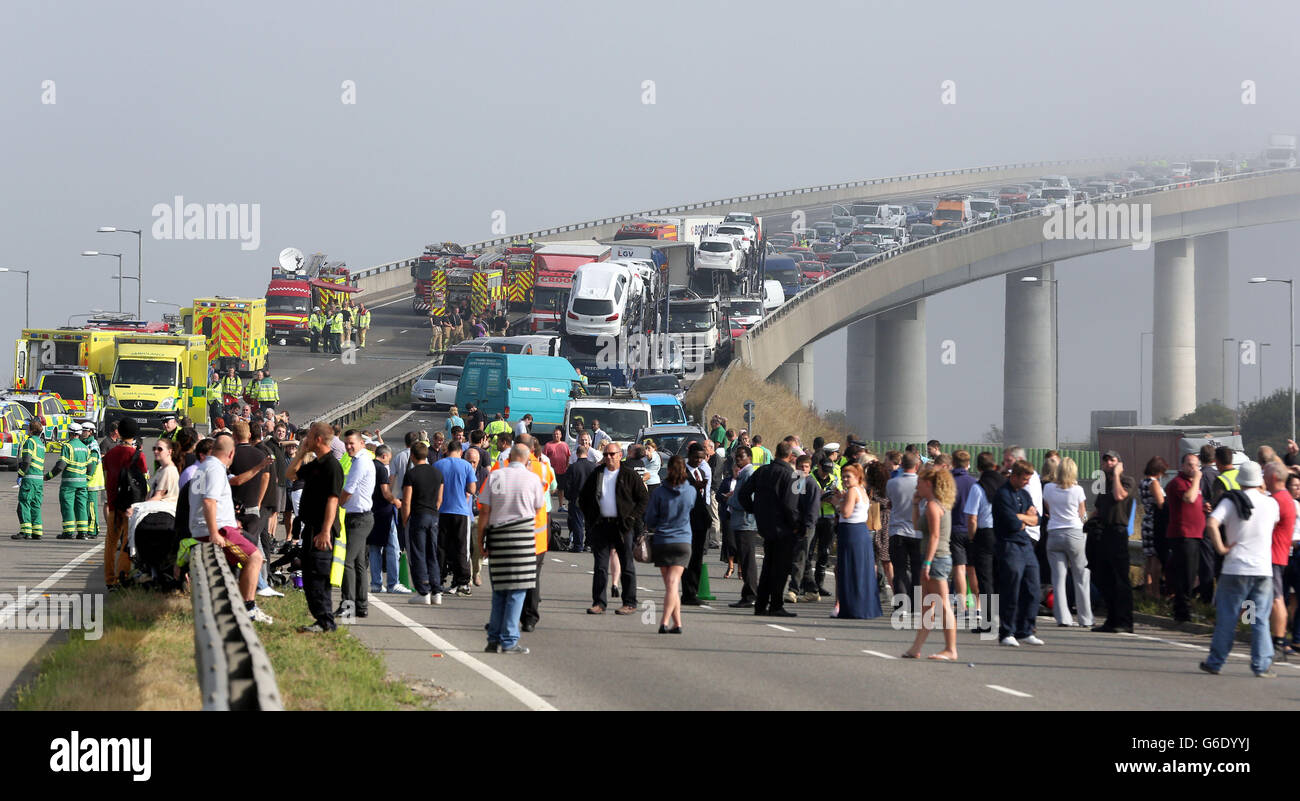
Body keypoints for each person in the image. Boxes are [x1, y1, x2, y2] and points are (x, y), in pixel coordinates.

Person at [1200, 460, 1279, 677]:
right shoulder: (1271, 504)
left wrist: (1221, 547)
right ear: (1259, 480)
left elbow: (1211, 524)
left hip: (1235, 567)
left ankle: (1216, 662)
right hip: (1262, 569)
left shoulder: (1231, 502)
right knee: (1259, 618)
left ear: (1240, 480)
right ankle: (1261, 664)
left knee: (1228, 615)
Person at [191, 432, 273, 624]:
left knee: (244, 557)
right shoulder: (216, 470)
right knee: (255, 558)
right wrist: (214, 533)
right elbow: (209, 502)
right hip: (218, 530)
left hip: (213, 526)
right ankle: (248, 607)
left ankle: (238, 603)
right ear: (231, 454)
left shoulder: (204, 467)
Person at [477, 443, 547, 654]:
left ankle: (493, 639)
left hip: (497, 536)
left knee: (499, 590)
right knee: (517, 591)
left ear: (509, 458)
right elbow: (538, 507)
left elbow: (485, 512)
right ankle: (508, 640)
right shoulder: (532, 479)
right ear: (526, 459)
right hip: (522, 538)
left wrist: (480, 541)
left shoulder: (496, 476)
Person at [579, 441, 648, 615]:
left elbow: (643, 499)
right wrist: (591, 519)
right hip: (601, 526)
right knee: (600, 566)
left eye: (612, 454)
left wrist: (631, 518)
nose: (608, 457)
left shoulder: (629, 474)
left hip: (623, 527)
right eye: (605, 455)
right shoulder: (597, 474)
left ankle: (629, 602)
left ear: (620, 455)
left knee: (627, 565)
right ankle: (599, 603)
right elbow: (583, 498)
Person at [739, 442, 801, 617]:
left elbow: (743, 493)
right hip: (784, 528)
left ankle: (761, 604)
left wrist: (753, 509)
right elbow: (790, 506)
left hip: (765, 525)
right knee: (780, 568)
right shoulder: (791, 474)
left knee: (768, 566)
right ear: (790, 456)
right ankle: (775, 604)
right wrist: (797, 525)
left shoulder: (763, 471)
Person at [903, 466, 957, 659]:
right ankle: (916, 647)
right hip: (934, 557)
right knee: (927, 606)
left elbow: (934, 536)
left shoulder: (935, 506)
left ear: (928, 484)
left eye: (919, 483)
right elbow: (918, 526)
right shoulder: (932, 504)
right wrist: (916, 505)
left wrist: (927, 563)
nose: (916, 486)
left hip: (937, 558)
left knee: (943, 605)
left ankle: (951, 649)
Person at [994, 460, 1043, 647]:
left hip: (1025, 544)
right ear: (1014, 476)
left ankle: (1026, 630)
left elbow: (1037, 519)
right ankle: (1007, 631)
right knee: (1011, 587)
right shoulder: (1002, 495)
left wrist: (1022, 518)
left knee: (1033, 587)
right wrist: (1023, 518)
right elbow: (1011, 523)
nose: (1027, 483)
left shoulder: (1024, 494)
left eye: (1029, 479)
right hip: (1009, 544)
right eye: (1024, 479)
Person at [645, 455, 695, 633]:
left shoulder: (659, 492)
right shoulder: (691, 491)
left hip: (663, 540)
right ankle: (678, 623)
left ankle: (664, 622)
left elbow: (650, 518)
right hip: (683, 540)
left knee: (670, 583)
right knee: (672, 585)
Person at [1042, 457, 1092, 627]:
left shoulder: (1048, 488)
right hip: (1074, 533)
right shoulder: (1078, 490)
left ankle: (1063, 618)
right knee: (1080, 576)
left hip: (1054, 533)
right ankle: (1085, 618)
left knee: (1058, 578)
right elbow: (1082, 514)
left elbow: (1049, 508)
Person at [1092, 450, 1137, 634]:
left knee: (1120, 579)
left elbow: (1119, 496)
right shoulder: (1102, 483)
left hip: (1119, 531)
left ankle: (1125, 621)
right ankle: (1111, 620)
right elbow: (1098, 508)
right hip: (1104, 532)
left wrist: (1117, 474)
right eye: (1106, 461)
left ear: (1119, 463)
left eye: (1112, 460)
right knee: (1105, 578)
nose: (1109, 463)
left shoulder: (1127, 480)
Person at [830, 463, 881, 620]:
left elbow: (845, 512)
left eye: (848, 476)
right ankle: (861, 605)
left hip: (851, 532)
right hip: (860, 531)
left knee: (849, 568)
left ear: (858, 477)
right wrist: (842, 498)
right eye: (843, 476)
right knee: (859, 569)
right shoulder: (861, 490)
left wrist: (836, 503)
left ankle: (852, 607)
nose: (845, 479)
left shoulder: (853, 490)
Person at [102, 418, 148, 588]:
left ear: (119, 432)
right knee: (127, 543)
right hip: (132, 505)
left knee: (110, 543)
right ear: (134, 434)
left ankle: (110, 579)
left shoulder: (111, 454)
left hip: (114, 503)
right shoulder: (138, 455)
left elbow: (107, 473)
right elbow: (143, 476)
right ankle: (123, 576)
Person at [335, 430, 376, 620]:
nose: (348, 446)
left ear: (361, 443)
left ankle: (347, 606)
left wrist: (337, 505)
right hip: (359, 516)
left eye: (352, 443)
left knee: (348, 562)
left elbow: (348, 490)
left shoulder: (360, 462)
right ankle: (361, 606)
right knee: (359, 563)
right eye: (346, 443)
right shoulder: (360, 460)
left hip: (359, 518)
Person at [1164, 452, 1206, 622]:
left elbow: (1195, 500)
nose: (1193, 468)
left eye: (1196, 465)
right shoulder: (1178, 483)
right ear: (1182, 466)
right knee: (1186, 574)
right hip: (1183, 534)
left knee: (1192, 573)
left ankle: (1183, 607)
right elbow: (1189, 498)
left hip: (1197, 533)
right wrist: (1197, 479)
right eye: (1189, 464)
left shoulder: (1193, 483)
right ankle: (1182, 610)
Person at [402, 442, 445, 605]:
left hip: (418, 515)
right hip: (433, 516)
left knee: (418, 553)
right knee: (432, 552)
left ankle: (423, 590)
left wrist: (406, 520)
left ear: (412, 455)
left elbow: (406, 501)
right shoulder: (437, 473)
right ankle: (437, 590)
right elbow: (440, 499)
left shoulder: (411, 474)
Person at [436, 439, 478, 596]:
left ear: (447, 450)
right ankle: (463, 581)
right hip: (461, 512)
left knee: (441, 547)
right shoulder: (466, 465)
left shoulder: (438, 465)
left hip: (442, 511)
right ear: (461, 452)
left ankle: (438, 579)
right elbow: (472, 488)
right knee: (462, 548)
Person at [1265, 460, 1297, 656]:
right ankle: (1254, 628)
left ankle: (1278, 638)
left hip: (1272, 556)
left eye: (1266, 475)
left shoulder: (1278, 500)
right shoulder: (1282, 498)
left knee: (1277, 598)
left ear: (1274, 478)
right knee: (1260, 598)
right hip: (1276, 555)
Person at [725, 446, 760, 608]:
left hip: (746, 522)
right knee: (744, 560)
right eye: (736, 457)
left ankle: (751, 595)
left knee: (747, 560)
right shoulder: (743, 473)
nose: (737, 459)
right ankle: (747, 594)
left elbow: (746, 499)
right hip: (741, 522)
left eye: (741, 456)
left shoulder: (748, 473)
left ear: (749, 457)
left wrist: (730, 499)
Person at [368, 444, 406, 593]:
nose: (389, 462)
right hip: (384, 512)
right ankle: (393, 583)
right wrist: (395, 501)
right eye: (389, 459)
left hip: (371, 510)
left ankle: (376, 583)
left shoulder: (370, 466)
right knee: (393, 547)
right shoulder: (382, 469)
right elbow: (385, 491)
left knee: (375, 548)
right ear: (384, 456)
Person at [47, 421, 94, 539]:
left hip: (69, 483)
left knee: (67, 506)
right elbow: (90, 467)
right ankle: (83, 532)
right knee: (81, 506)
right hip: (82, 483)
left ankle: (68, 532)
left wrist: (49, 476)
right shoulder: (85, 448)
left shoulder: (67, 446)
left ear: (70, 433)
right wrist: (85, 479)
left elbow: (61, 465)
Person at [788, 454, 824, 603]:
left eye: (806, 467)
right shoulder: (796, 481)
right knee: (804, 559)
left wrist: (807, 527)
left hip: (806, 527)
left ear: (810, 468)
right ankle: (812, 590)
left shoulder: (811, 484)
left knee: (798, 558)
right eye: (801, 466)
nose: (803, 469)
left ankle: (793, 590)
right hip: (796, 526)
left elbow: (813, 509)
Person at [680, 442, 713, 605]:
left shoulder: (700, 472)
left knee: (697, 559)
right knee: (689, 559)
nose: (699, 460)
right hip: (688, 522)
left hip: (701, 522)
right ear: (689, 456)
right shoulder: (683, 474)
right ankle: (688, 593)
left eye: (702, 458)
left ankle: (693, 592)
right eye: (696, 457)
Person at [887, 452, 922, 597]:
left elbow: (890, 501)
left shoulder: (892, 482)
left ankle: (901, 605)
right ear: (917, 465)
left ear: (901, 464)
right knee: (917, 570)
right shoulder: (922, 483)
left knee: (899, 570)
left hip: (897, 531)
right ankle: (917, 603)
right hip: (918, 532)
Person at [10, 420, 46, 541]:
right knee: (36, 505)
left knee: (24, 504)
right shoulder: (41, 444)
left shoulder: (29, 442)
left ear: (31, 430)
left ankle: (25, 531)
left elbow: (26, 461)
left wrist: (20, 474)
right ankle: (37, 531)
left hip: (29, 478)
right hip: (39, 480)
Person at [1139, 457, 1168, 598]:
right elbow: (1161, 504)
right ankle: (1155, 592)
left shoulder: (1143, 482)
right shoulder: (1153, 483)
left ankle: (1148, 591)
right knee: (1155, 559)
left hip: (1146, 521)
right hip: (1154, 522)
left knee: (1149, 559)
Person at [565, 442, 596, 552]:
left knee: (577, 522)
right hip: (591, 498)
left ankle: (578, 545)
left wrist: (569, 497)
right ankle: (590, 544)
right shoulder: (593, 466)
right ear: (587, 454)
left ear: (577, 454)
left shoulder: (573, 467)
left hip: (577, 497)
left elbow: (567, 484)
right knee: (590, 522)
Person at [543, 427, 571, 511]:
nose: (556, 436)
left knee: (561, 489)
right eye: (554, 434)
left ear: (561, 435)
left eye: (557, 434)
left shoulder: (565, 445)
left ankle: (560, 506)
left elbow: (568, 456)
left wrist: (567, 466)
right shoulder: (548, 445)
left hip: (562, 470)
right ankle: (547, 505)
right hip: (551, 471)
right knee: (549, 489)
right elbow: (544, 458)